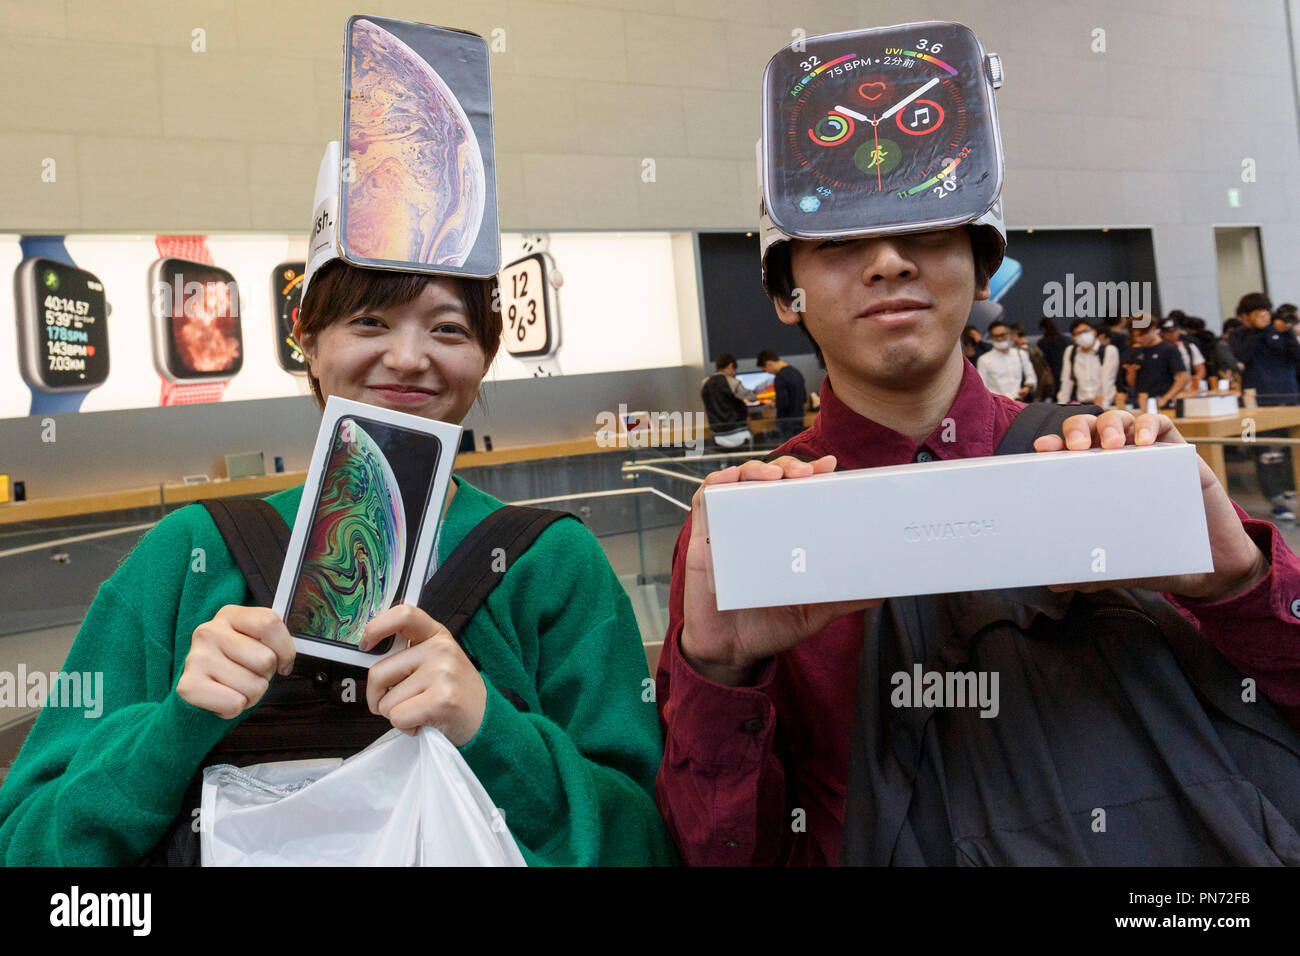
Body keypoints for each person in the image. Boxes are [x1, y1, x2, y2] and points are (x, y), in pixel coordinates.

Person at [655, 27, 1300, 864]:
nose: (889, 263)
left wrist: (1238, 583)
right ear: (787, 293)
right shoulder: (750, 532)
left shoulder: (1108, 464)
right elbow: (720, 850)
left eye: (928, 231)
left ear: (982, 266)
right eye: (840, 244)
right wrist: (718, 676)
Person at [0, 257, 675, 866]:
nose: (407, 358)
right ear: (309, 343)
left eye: (448, 329)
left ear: (485, 355)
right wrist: (171, 728)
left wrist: (490, 729)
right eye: (369, 321)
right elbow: (27, 845)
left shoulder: (553, 563)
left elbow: (644, 842)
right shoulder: (188, 554)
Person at [1121, 317, 1189, 410]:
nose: (1138, 339)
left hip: (1162, 404)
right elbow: (1132, 383)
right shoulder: (1136, 351)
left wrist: (1166, 398)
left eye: (1141, 335)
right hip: (1141, 403)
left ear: (1152, 329)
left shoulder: (1168, 349)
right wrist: (1131, 371)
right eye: (1135, 336)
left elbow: (1183, 376)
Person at [1056, 318, 1119, 407]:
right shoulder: (1071, 352)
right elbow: (1066, 380)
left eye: (1085, 331)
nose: (1083, 335)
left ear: (1094, 332)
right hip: (1082, 404)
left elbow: (1108, 380)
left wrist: (1104, 405)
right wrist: (1061, 405)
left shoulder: (1108, 350)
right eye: (1078, 333)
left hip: (1104, 403)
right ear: (1074, 338)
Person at [701, 353, 757, 449]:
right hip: (739, 431)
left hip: (717, 434)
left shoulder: (704, 383)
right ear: (731, 365)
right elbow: (752, 397)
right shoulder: (732, 382)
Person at [757, 349, 808, 444]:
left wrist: (771, 404)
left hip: (786, 422)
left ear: (769, 364)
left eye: (765, 370)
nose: (768, 373)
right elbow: (803, 397)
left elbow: (782, 403)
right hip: (799, 419)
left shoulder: (780, 377)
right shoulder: (796, 372)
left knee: (787, 448)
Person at [976, 318, 1035, 400]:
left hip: (1020, 401)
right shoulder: (983, 360)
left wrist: (1027, 387)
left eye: (1002, 335)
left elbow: (1031, 375)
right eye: (995, 336)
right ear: (991, 337)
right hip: (998, 403)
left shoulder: (1021, 354)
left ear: (1009, 334)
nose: (999, 339)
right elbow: (982, 387)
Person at [1160, 317, 1206, 388]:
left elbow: (1200, 369)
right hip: (1166, 387)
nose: (1172, 334)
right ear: (1161, 333)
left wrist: (1193, 383)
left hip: (1187, 387)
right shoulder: (1158, 349)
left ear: (1179, 330)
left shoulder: (1188, 346)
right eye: (1168, 332)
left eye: (1174, 331)